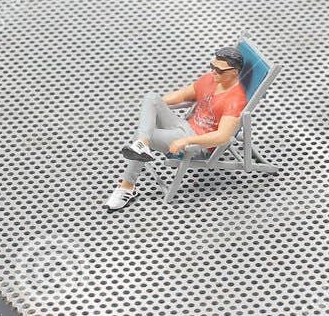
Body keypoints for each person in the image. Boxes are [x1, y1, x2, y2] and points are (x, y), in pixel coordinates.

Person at [105, 46, 248, 211]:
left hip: (196, 145)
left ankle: (127, 187)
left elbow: (223, 137)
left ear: (234, 72)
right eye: (212, 66)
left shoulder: (235, 100)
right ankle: (141, 144)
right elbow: (183, 94)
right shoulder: (211, 79)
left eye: (219, 70)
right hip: (184, 125)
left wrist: (186, 140)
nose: (213, 72)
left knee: (142, 133)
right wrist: (154, 109)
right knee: (151, 97)